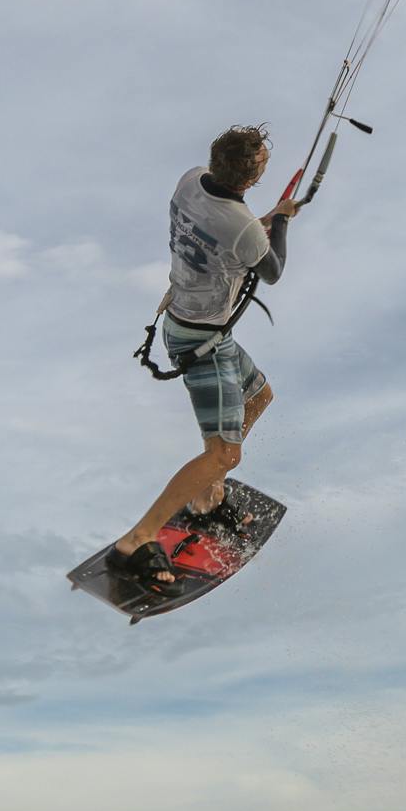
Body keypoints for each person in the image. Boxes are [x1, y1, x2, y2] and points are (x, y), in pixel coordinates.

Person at [112, 124, 301, 594]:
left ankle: (206, 496)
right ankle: (137, 540)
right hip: (200, 343)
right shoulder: (243, 227)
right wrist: (280, 223)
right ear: (252, 179)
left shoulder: (190, 179)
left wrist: (267, 218)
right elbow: (272, 270)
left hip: (198, 327)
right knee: (224, 453)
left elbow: (227, 236)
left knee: (260, 396)